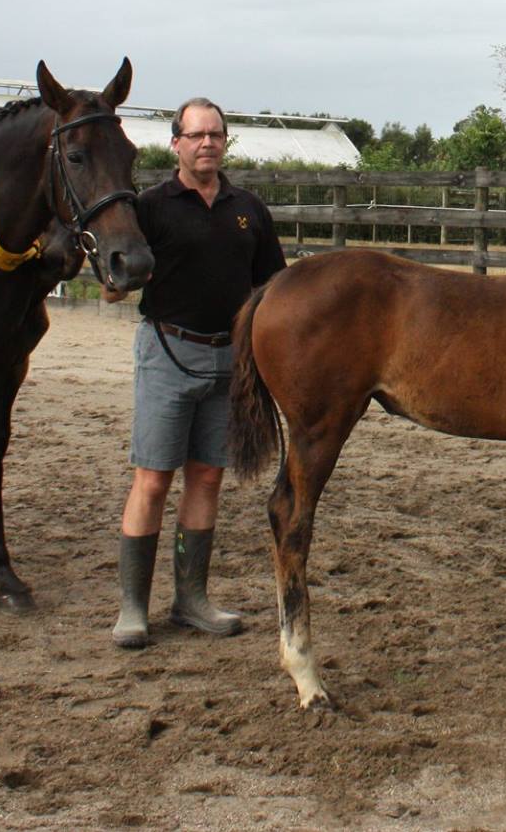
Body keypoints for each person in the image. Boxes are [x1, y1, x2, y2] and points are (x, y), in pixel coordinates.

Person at [112, 97, 285, 649]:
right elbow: (119, 277)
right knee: (154, 477)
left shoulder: (248, 208)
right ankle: (133, 607)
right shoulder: (150, 207)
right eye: (197, 135)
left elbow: (272, 287)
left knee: (207, 476)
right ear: (176, 144)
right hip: (167, 352)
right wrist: (115, 280)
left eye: (216, 134)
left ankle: (192, 599)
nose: (207, 143)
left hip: (228, 361)